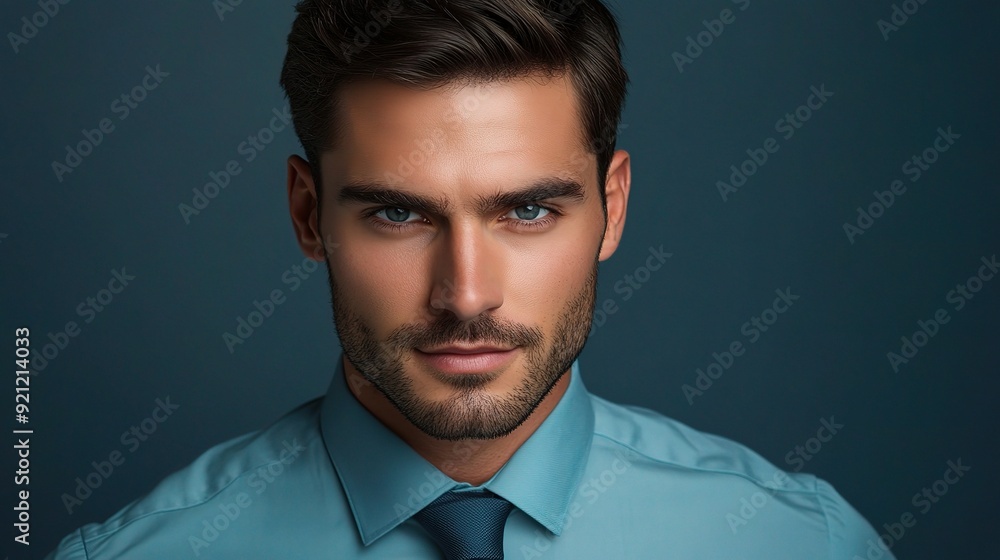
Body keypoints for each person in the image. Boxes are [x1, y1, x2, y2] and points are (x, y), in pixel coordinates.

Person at [48, 1, 893, 558]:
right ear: (309, 215)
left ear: (612, 209)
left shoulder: (802, 545)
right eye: (398, 214)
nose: (465, 294)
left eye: (527, 211)